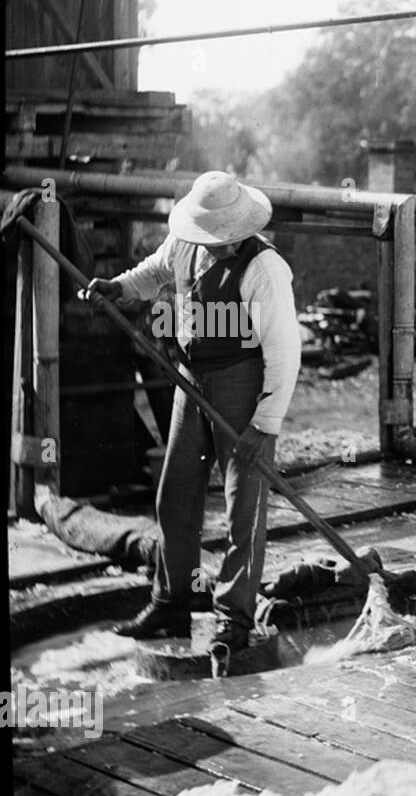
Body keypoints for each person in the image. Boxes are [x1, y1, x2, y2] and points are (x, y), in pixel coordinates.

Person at [80, 171, 300, 657]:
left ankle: (233, 617)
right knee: (174, 496)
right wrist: (117, 288)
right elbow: (153, 271)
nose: (220, 245)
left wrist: (264, 425)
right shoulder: (185, 244)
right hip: (190, 382)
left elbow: (285, 352)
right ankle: (171, 602)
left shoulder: (265, 269)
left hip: (243, 385)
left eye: (229, 238)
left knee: (245, 506)